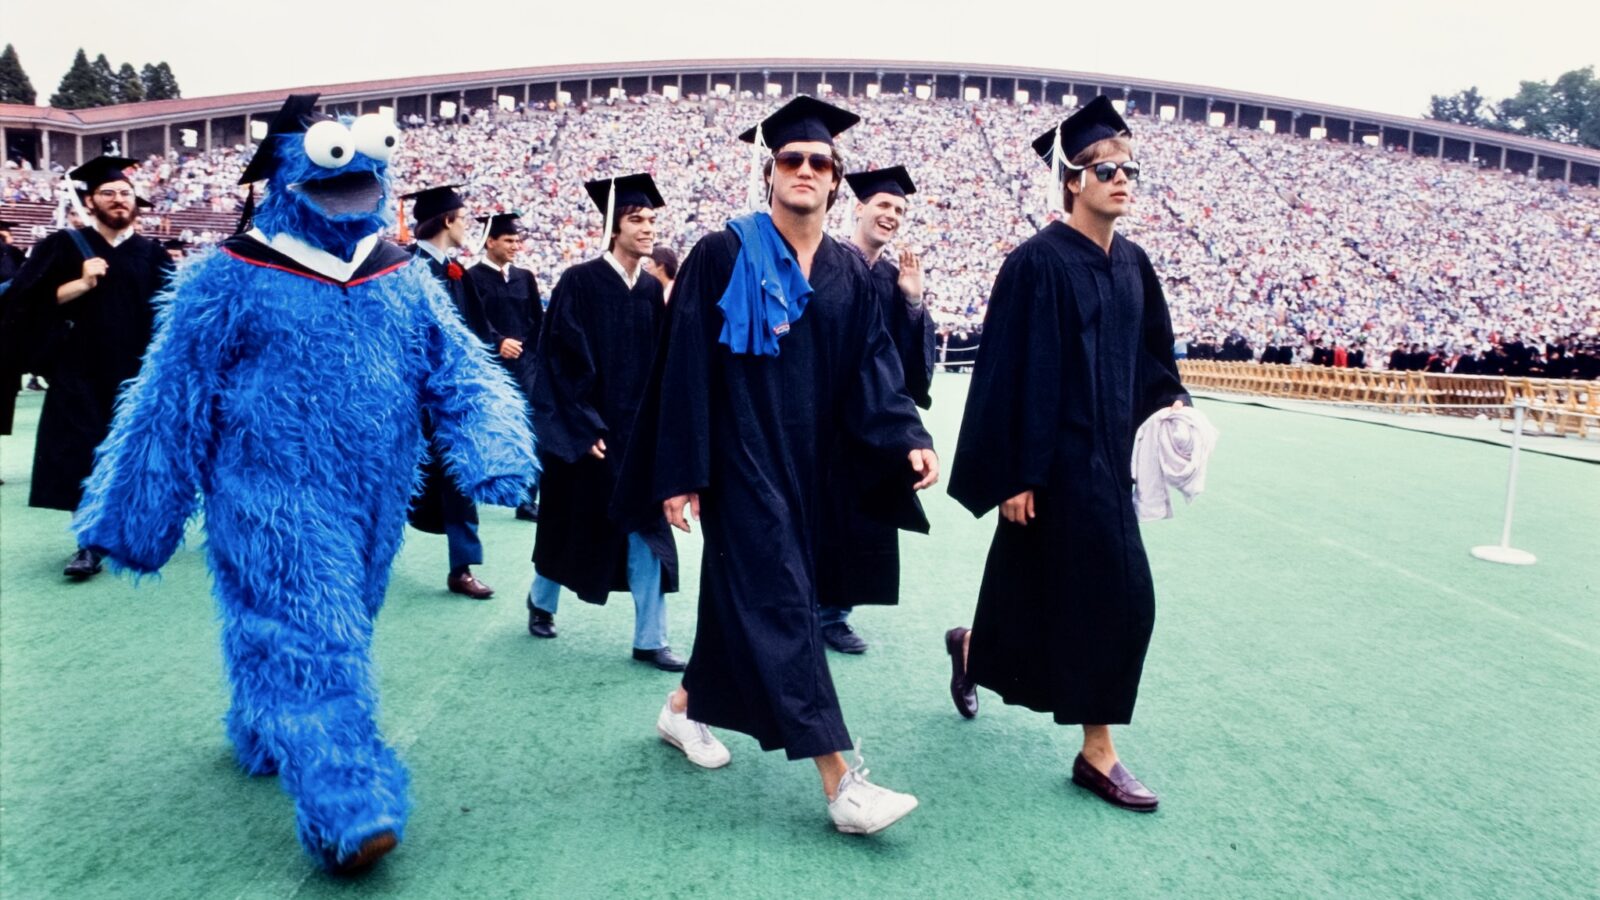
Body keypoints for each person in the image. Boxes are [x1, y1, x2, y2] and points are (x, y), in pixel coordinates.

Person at [616, 96, 938, 835]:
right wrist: (678, 470)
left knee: (754, 600)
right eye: (790, 159)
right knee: (786, 601)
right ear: (770, 176)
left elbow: (871, 367)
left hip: (812, 466)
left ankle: (681, 710)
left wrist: (905, 432)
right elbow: (685, 366)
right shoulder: (723, 252)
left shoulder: (851, 275)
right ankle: (842, 781)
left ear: (834, 181)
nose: (803, 169)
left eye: (818, 162)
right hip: (740, 460)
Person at [944, 96, 1189, 814]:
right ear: (1071, 179)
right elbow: (1005, 371)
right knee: (1122, 599)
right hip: (1052, 468)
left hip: (1112, 464)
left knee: (1040, 598)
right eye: (1105, 168)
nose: (1122, 179)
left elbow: (1152, 358)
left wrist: (1173, 405)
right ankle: (1098, 752)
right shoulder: (1035, 263)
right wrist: (1016, 474)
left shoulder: (1134, 264)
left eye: (1130, 168)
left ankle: (970, 650)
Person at [525, 174, 683, 671]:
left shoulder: (648, 293)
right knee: (567, 527)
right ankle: (541, 600)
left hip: (636, 439)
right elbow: (561, 361)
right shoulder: (580, 280)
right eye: (637, 219)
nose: (648, 228)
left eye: (652, 220)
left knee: (647, 530)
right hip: (589, 437)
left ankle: (650, 638)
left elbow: (660, 367)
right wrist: (585, 425)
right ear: (614, 227)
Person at [2, 156, 171, 578]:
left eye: (125, 194)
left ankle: (127, 532)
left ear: (136, 203)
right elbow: (18, 304)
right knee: (82, 454)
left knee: (133, 456)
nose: (118, 200)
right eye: (108, 193)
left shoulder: (152, 254)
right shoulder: (61, 246)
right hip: (78, 371)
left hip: (135, 374)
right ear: (91, 201)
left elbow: (173, 315)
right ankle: (89, 542)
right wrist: (77, 285)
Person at [812, 165, 937, 654]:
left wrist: (911, 301)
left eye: (900, 210)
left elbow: (909, 371)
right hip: (819, 418)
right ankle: (800, 609)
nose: (891, 215)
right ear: (858, 207)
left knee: (860, 520)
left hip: (869, 427)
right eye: (883, 205)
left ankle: (834, 616)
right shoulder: (821, 260)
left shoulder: (893, 277)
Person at [403, 184, 498, 599]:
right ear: (446, 220)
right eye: (464, 219)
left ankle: (461, 568)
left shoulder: (457, 272)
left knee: (459, 478)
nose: (468, 227)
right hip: (409, 395)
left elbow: (477, 329)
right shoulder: (403, 267)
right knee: (394, 477)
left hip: (452, 397)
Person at [467, 212, 543, 521]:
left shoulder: (525, 276)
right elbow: (472, 320)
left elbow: (537, 319)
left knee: (533, 428)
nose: (515, 246)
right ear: (490, 242)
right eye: (509, 240)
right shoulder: (471, 278)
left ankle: (527, 499)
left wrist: (534, 354)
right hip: (491, 365)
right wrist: (497, 341)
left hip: (527, 365)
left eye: (517, 240)